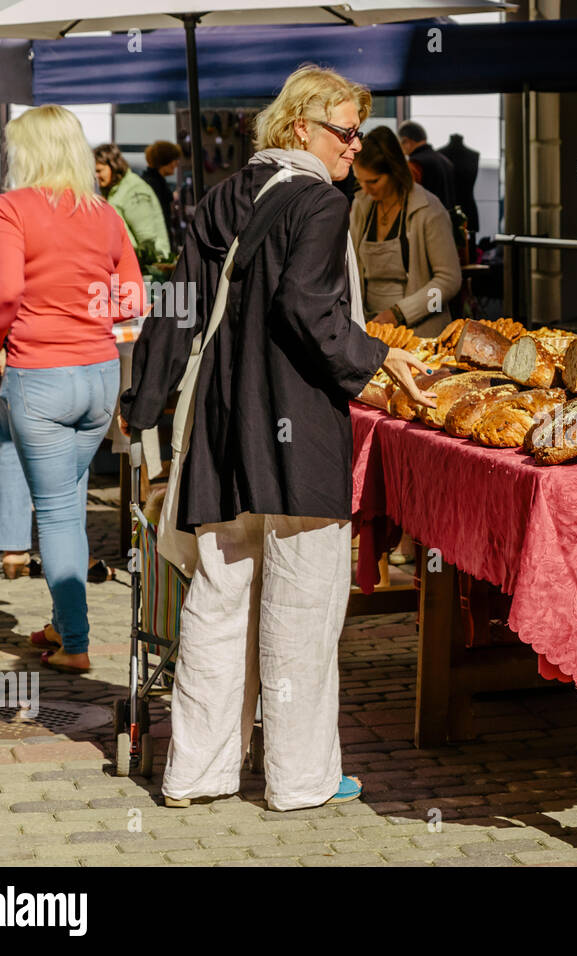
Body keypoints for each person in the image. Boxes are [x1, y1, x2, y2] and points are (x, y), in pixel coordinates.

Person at [120, 66, 436, 813]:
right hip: (297, 435)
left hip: (221, 429)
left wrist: (142, 412)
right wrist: (379, 358)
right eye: (346, 132)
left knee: (219, 597)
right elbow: (306, 307)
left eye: (360, 135)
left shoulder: (220, 197)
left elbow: (173, 303)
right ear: (302, 129)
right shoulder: (320, 202)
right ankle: (300, 778)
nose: (355, 150)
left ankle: (197, 771)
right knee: (302, 603)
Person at [0, 105, 145, 673]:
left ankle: (75, 643)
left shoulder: (11, 206)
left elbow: (5, 291)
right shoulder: (103, 212)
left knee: (54, 513)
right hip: (98, 376)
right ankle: (60, 623)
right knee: (67, 503)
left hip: (39, 374)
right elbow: (133, 301)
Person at [350, 126, 461, 338]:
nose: (365, 190)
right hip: (370, 330)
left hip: (421, 334)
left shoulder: (429, 209)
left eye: (373, 181)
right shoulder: (361, 206)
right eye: (360, 181)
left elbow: (449, 281)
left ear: (394, 171)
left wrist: (399, 313)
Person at [95, 143, 170, 265]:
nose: (96, 176)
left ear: (113, 166)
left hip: (146, 272)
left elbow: (147, 240)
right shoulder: (116, 190)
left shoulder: (133, 189)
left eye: (99, 170)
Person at [397, 121, 455, 213]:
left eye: (400, 143)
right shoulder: (445, 160)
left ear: (406, 141)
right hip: (446, 220)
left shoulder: (414, 164)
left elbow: (408, 197)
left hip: (426, 220)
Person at [141, 140, 182, 248]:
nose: (176, 164)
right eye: (174, 160)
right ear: (165, 160)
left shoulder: (154, 181)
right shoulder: (154, 184)